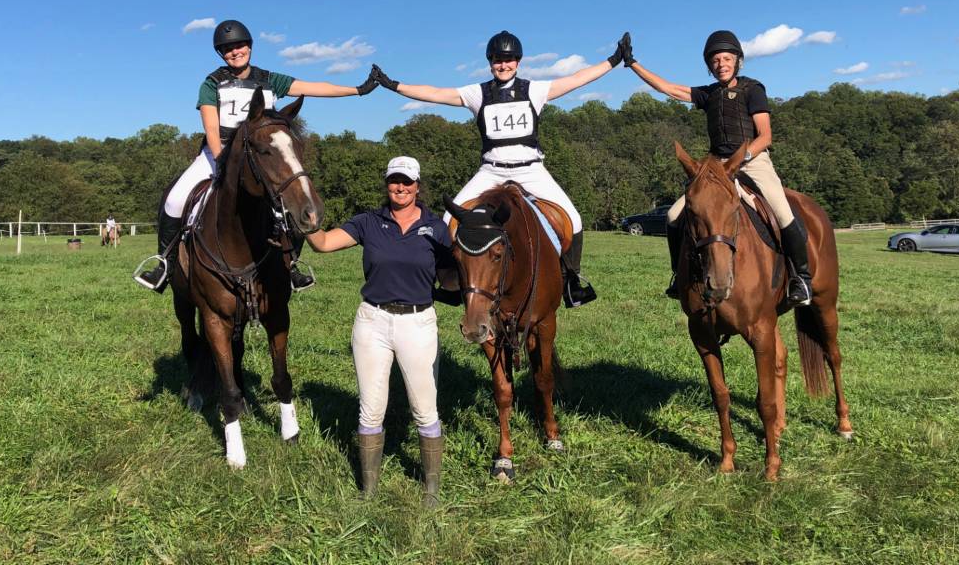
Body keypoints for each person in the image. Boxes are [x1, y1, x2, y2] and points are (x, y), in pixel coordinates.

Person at [367, 30, 633, 307]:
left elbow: (577, 79)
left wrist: (613, 60)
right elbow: (435, 93)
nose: (503, 65)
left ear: (518, 61)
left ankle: (571, 282)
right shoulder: (477, 93)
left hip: (530, 169)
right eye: (497, 60)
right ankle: (452, 284)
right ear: (490, 62)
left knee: (574, 219)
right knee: (448, 220)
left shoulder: (534, 90)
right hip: (491, 170)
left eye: (508, 60)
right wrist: (392, 84)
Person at [134, 19, 379, 292]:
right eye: (227, 49)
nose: (234, 52)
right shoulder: (211, 83)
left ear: (249, 46)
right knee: (175, 199)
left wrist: (357, 90)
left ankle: (292, 265)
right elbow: (211, 128)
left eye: (239, 45)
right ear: (221, 54)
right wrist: (222, 163)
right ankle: (163, 264)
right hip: (220, 153)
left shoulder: (269, 79)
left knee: (288, 202)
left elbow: (314, 87)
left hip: (263, 156)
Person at [303, 156, 453, 505]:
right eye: (393, 181)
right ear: (386, 184)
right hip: (372, 322)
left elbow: (455, 276)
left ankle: (431, 491)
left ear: (417, 185)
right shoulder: (368, 222)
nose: (399, 187)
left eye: (406, 182)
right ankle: (368, 491)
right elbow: (324, 243)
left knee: (425, 410)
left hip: (418, 322)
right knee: (371, 409)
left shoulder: (437, 228)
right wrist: (308, 224)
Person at [627, 29, 813, 306]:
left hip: (753, 161)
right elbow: (669, 88)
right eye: (715, 61)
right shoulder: (708, 94)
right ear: (709, 66)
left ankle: (802, 279)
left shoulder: (753, 89)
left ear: (738, 61)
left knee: (782, 211)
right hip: (716, 167)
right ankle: (680, 275)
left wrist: (743, 157)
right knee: (674, 215)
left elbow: (765, 136)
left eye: (727, 58)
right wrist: (632, 64)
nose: (721, 64)